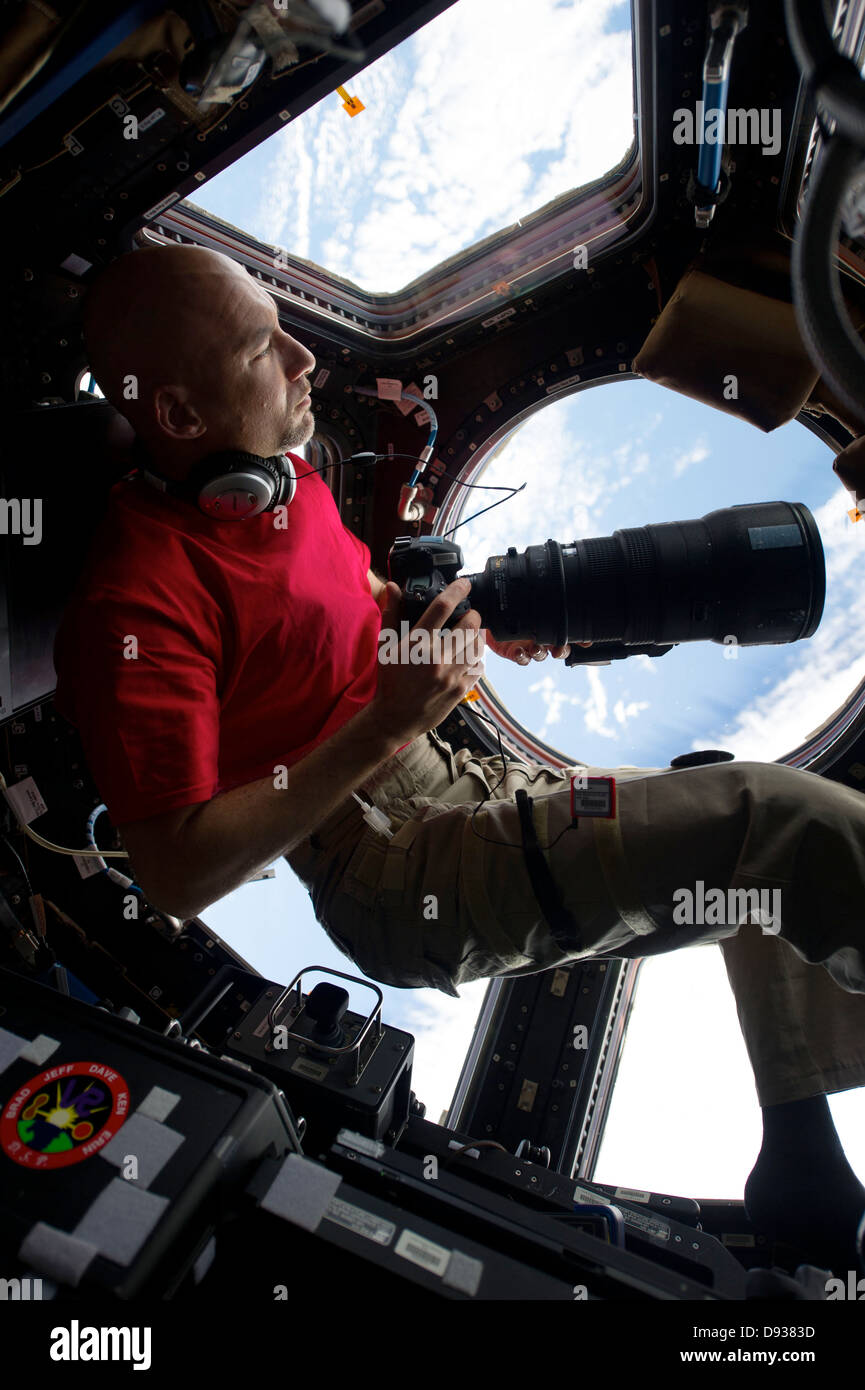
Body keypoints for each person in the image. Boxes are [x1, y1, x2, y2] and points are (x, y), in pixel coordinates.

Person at [54, 244, 865, 1276]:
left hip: (467, 789)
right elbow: (173, 870)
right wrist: (383, 726)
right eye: (267, 346)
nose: (307, 357)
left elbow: (345, 618)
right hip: (390, 864)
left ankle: (799, 1157)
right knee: (772, 822)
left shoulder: (284, 484)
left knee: (722, 798)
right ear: (176, 416)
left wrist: (456, 622)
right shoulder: (136, 603)